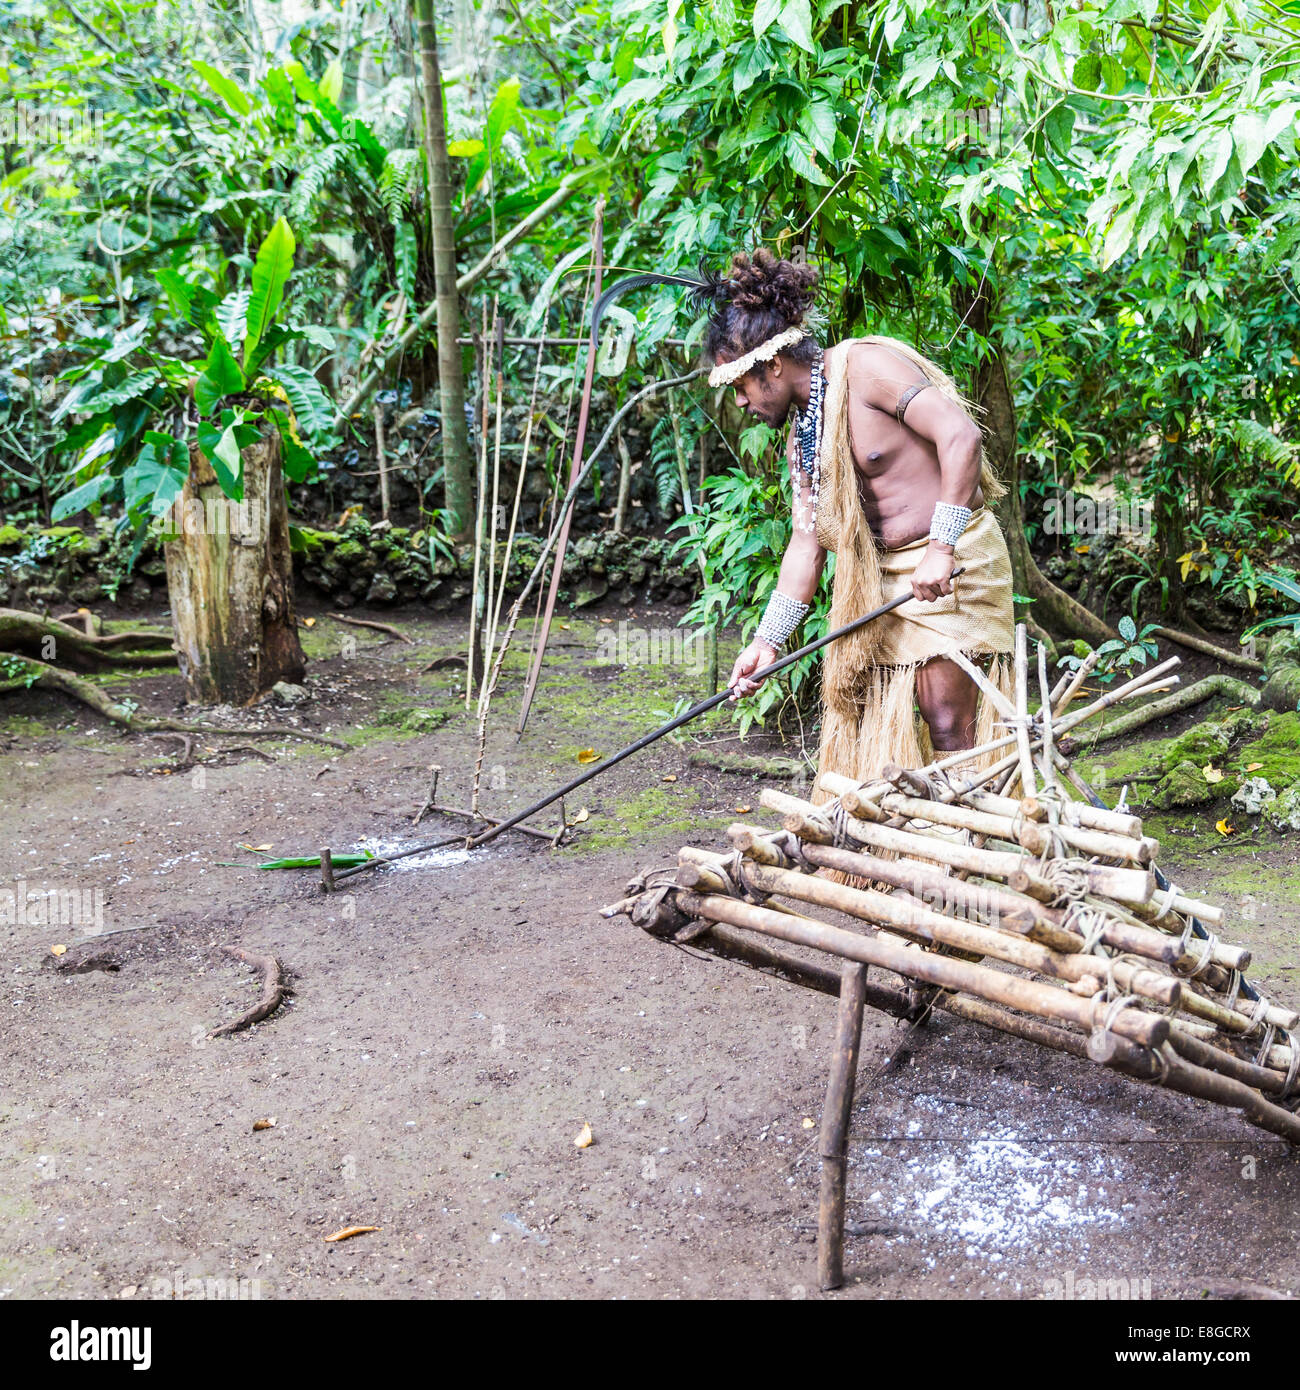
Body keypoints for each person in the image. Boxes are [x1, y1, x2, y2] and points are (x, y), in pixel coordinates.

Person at [700, 249, 1015, 784]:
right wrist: (766, 643)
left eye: (741, 386)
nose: (741, 403)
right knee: (874, 715)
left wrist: (940, 548)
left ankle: (969, 841)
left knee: (945, 719)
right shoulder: (804, 435)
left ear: (772, 365)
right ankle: (909, 840)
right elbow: (806, 543)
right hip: (879, 583)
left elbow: (961, 436)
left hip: (950, 564)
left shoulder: (866, 367)